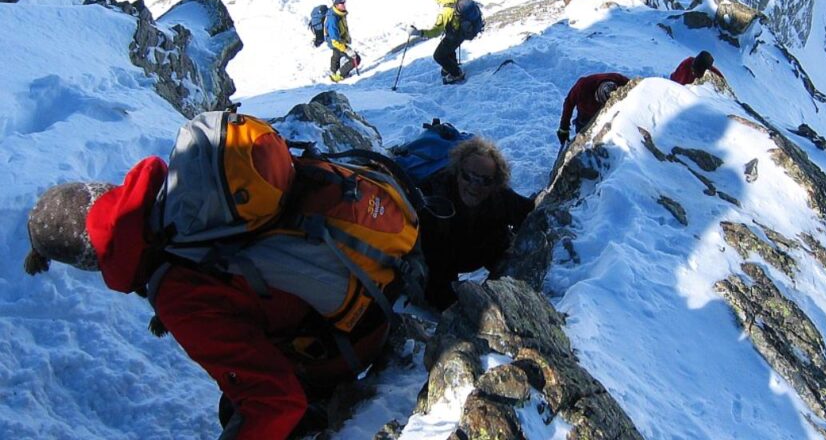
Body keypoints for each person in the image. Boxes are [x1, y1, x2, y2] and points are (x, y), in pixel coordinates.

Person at [23, 157, 396, 440]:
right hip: (377, 270)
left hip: (360, 331)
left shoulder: (178, 292)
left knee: (237, 408)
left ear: (91, 259)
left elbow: (274, 399)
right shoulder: (186, 189)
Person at [418, 137, 535, 309]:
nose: (474, 186)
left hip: (484, 251)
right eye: (468, 177)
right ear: (457, 172)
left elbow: (531, 212)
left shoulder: (500, 197)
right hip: (441, 260)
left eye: (485, 181)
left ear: (495, 183)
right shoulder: (434, 198)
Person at [409, 0, 467, 85]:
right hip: (461, 33)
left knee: (438, 56)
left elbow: (436, 31)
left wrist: (419, 33)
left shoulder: (446, 12)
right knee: (448, 48)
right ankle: (450, 66)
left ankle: (456, 73)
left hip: (454, 36)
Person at [556, 72, 630, 145]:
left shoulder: (620, 80)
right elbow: (569, 102)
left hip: (611, 114)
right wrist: (564, 127)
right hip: (586, 117)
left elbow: (638, 90)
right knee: (583, 141)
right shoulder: (583, 86)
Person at [326, 0, 360, 82]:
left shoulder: (338, 13)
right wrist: (347, 49)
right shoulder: (333, 19)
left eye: (344, 2)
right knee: (355, 59)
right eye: (341, 3)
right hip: (336, 42)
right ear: (336, 4)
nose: (344, 5)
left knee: (336, 55)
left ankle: (333, 72)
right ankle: (339, 75)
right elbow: (335, 42)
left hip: (336, 41)